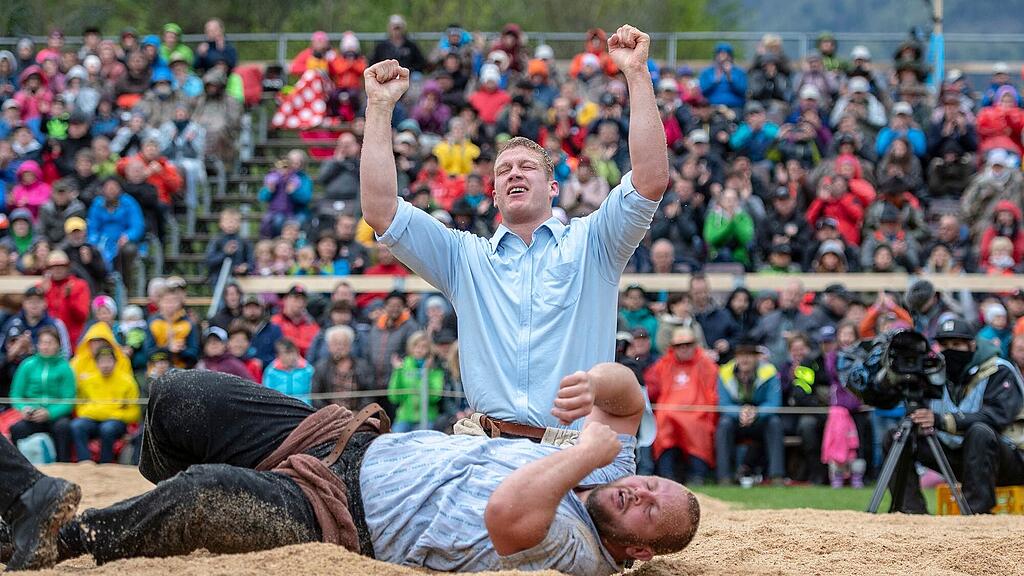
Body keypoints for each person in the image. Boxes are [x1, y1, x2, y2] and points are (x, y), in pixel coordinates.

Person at [28, 362, 698, 574]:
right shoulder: (610, 477)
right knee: (180, 394)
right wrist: (602, 381)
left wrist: (582, 453)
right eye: (650, 483)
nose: (638, 490)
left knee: (205, 494)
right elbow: (626, 402)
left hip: (343, 517)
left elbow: (507, 516)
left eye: (648, 507)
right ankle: (160, 510)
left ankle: (66, 542)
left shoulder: (578, 551)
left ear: (638, 551)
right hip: (350, 444)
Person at [359, 25, 669, 438]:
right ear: (494, 195)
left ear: (554, 188)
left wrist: (636, 73)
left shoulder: (594, 243)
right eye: (504, 170)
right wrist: (380, 107)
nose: (514, 173)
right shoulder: (464, 258)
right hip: (485, 449)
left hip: (572, 451)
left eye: (527, 167)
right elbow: (380, 211)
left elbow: (650, 180)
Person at [886, 318, 1024, 514]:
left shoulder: (999, 370)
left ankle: (976, 514)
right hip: (960, 456)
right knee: (897, 436)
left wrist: (943, 420)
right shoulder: (934, 371)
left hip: (1007, 458)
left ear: (972, 345)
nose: (950, 350)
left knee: (980, 432)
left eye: (957, 344)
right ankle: (911, 512)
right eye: (945, 345)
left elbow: (997, 416)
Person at [644, 327, 719, 485]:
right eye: (679, 345)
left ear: (695, 345)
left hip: (698, 413)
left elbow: (713, 393)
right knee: (663, 425)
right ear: (673, 347)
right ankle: (667, 475)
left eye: (688, 344)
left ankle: (697, 475)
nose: (684, 348)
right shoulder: (663, 364)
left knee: (698, 428)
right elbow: (650, 387)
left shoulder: (706, 364)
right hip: (667, 414)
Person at [715, 336, 784, 484]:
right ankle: (724, 477)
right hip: (736, 420)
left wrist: (756, 412)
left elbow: (774, 403)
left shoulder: (769, 372)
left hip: (760, 420)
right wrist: (740, 412)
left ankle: (776, 475)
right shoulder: (725, 372)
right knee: (724, 424)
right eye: (741, 355)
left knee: (774, 423)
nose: (745, 359)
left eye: (749, 355)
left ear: (757, 357)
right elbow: (723, 404)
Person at [68, 323, 141, 464]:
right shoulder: (88, 381)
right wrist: (106, 412)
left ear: (115, 361)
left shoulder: (127, 381)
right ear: (96, 363)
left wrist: (115, 415)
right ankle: (84, 462)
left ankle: (106, 463)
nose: (105, 365)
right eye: (102, 361)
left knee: (107, 428)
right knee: (77, 425)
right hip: (94, 419)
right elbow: (80, 407)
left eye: (109, 361)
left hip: (115, 421)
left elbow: (134, 412)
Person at [8, 326, 75, 463]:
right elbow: (15, 394)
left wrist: (49, 413)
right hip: (32, 414)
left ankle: (63, 463)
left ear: (58, 345)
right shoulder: (27, 365)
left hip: (55, 415)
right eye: (43, 343)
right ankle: (20, 466)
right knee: (17, 429)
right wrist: (24, 408)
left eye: (50, 343)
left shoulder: (65, 368)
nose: (46, 347)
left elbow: (69, 400)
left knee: (63, 427)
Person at [387, 330, 445, 432]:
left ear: (429, 349)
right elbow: (394, 397)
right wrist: (398, 372)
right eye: (416, 346)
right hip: (404, 417)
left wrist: (425, 373)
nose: (419, 349)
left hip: (427, 417)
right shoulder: (403, 366)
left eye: (423, 346)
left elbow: (435, 397)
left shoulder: (435, 369)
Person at [311, 325, 374, 411]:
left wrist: (359, 412)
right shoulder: (320, 367)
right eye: (335, 343)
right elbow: (316, 396)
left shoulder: (363, 366)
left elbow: (370, 394)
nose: (339, 347)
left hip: (358, 414)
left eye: (344, 343)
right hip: (330, 415)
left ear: (350, 345)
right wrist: (329, 413)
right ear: (328, 346)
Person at [39, 249, 91, 347]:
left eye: (61, 266)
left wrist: (69, 299)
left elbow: (83, 315)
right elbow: (37, 315)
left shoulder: (79, 285)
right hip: (47, 343)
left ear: (68, 267)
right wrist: (44, 294)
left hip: (73, 341)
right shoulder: (42, 286)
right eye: (54, 267)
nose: (58, 270)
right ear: (48, 269)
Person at [270, 285, 321, 358]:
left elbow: (316, 347)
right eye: (296, 298)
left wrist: (292, 342)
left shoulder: (311, 324)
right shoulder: (275, 321)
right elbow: (278, 345)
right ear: (285, 300)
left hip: (307, 363)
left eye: (303, 299)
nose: (300, 302)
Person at [262, 337, 314, 404]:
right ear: (278, 355)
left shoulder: (308, 370)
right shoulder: (271, 371)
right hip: (279, 405)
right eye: (286, 353)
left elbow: (313, 393)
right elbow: (267, 393)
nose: (291, 357)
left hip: (304, 405)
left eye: (292, 352)